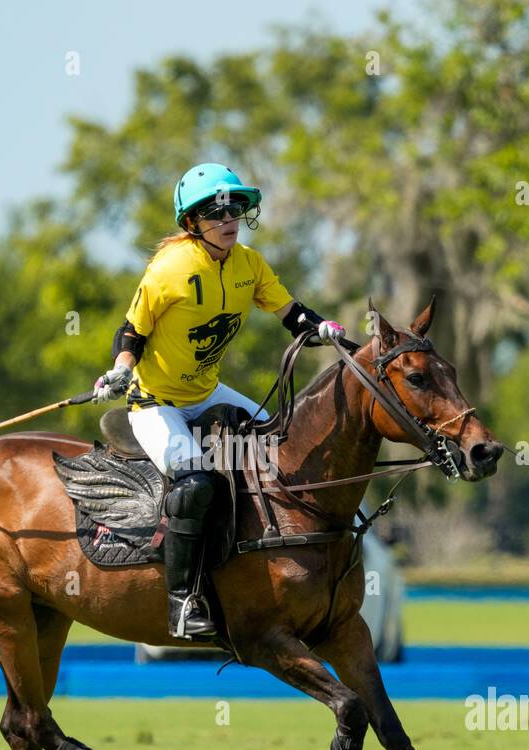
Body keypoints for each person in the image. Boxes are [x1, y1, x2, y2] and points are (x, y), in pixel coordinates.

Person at [92, 162, 346, 639]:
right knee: (196, 484)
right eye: (214, 212)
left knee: (281, 445)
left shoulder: (249, 263)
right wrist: (121, 371)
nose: (228, 219)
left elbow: (291, 314)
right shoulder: (170, 268)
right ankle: (182, 601)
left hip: (207, 392)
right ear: (192, 223)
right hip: (156, 403)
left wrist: (323, 328)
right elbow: (132, 331)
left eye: (234, 209)